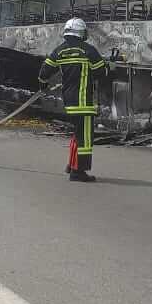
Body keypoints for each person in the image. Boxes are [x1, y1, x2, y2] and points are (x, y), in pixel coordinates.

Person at [38, 18, 112, 183]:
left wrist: (43, 86)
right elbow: (101, 73)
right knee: (85, 140)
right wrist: (110, 67)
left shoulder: (60, 51)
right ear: (81, 33)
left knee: (77, 135)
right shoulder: (88, 51)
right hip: (83, 104)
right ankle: (78, 172)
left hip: (69, 103)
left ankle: (71, 165)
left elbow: (44, 73)